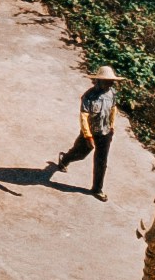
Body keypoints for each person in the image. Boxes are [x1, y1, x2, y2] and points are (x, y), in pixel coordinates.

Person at [51, 67, 122, 198]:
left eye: (112, 81)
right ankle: (65, 159)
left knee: (101, 162)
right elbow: (84, 117)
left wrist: (112, 127)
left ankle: (97, 189)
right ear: (98, 81)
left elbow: (113, 109)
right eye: (108, 81)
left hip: (105, 133)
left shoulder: (112, 93)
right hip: (90, 133)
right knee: (80, 154)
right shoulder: (89, 96)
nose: (111, 83)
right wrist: (88, 136)